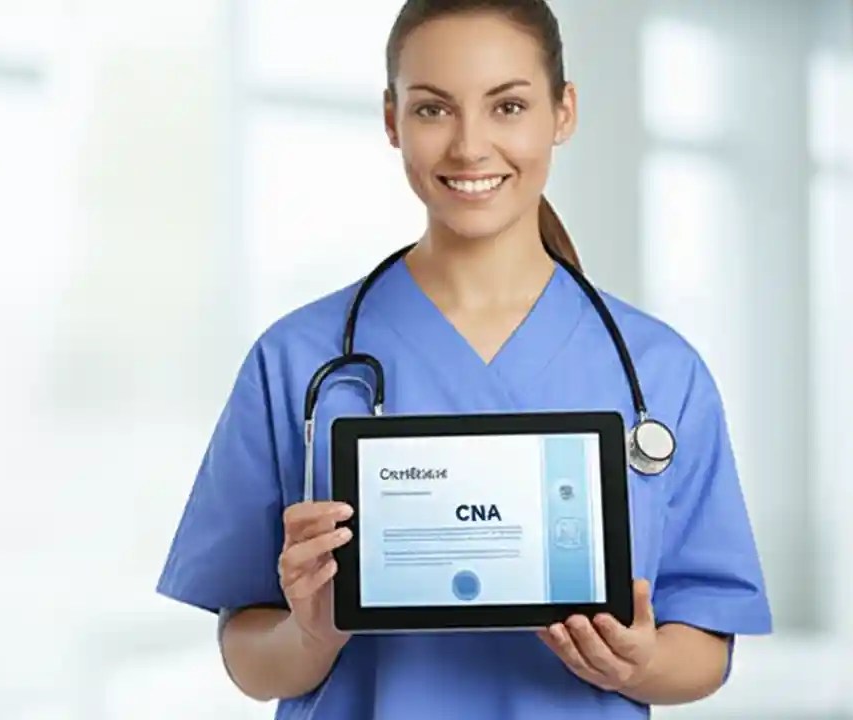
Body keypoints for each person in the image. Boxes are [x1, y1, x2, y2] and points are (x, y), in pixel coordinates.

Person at [156, 0, 773, 716]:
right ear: (392, 120)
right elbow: (249, 655)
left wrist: (639, 663)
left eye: (508, 106)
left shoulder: (660, 369)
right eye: (433, 110)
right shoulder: (298, 360)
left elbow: (707, 646)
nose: (470, 147)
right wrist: (311, 634)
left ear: (562, 113)